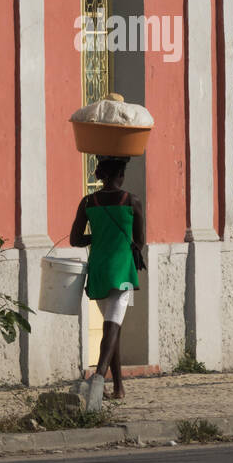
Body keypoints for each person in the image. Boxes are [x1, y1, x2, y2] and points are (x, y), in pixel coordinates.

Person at [69, 155, 145, 411]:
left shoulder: (88, 202)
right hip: (122, 270)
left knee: (113, 327)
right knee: (112, 328)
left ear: (101, 175)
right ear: (120, 175)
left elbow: (75, 239)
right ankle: (99, 380)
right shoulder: (132, 201)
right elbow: (140, 240)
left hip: (99, 270)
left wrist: (97, 237)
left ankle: (119, 387)